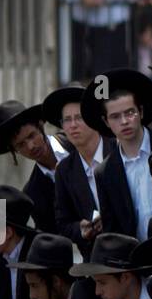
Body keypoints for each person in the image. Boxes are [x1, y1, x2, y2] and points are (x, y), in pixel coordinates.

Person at [81, 67, 152, 240]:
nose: (124, 122)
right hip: (135, 257)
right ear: (106, 122)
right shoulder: (104, 172)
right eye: (115, 116)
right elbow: (112, 228)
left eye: (130, 113)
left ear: (141, 112)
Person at [42, 83, 106, 256]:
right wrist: (81, 229)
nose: (73, 125)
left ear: (93, 118)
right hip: (96, 256)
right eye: (67, 120)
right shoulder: (64, 170)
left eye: (79, 117)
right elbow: (63, 222)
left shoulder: (118, 151)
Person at [0, 100, 61, 236]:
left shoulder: (76, 143)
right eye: (20, 145)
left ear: (40, 126)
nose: (30, 146)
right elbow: (55, 238)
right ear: (14, 151)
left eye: (32, 136)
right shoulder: (34, 193)